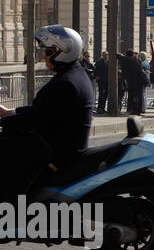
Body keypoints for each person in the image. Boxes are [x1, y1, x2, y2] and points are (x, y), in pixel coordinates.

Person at [0, 26, 95, 200]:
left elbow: (34, 119)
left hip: (56, 154)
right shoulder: (73, 74)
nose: (44, 56)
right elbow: (44, 110)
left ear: (63, 51)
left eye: (48, 51)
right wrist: (9, 112)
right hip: (55, 146)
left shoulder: (66, 83)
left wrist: (3, 123)